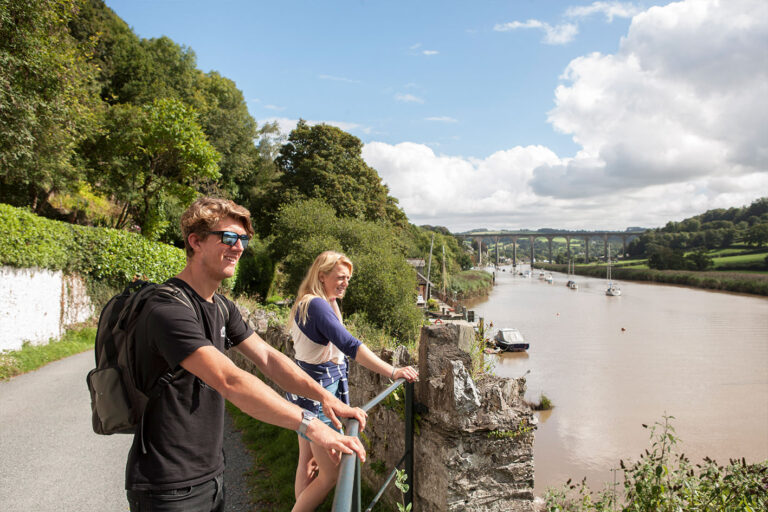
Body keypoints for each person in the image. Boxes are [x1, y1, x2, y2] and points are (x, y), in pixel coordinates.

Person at [125, 198, 366, 512]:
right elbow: (230, 380)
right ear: (195, 242)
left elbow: (267, 357)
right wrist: (313, 426)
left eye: (243, 240)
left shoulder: (222, 307)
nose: (238, 247)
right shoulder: (167, 309)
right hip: (166, 485)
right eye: (227, 237)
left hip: (209, 473)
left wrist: (325, 397)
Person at [288, 251, 419, 512]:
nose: (345, 282)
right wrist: (393, 372)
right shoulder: (317, 305)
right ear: (321, 276)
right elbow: (351, 346)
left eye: (348, 278)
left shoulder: (312, 301)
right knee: (331, 474)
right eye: (339, 277)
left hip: (304, 389)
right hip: (318, 396)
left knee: (307, 461)